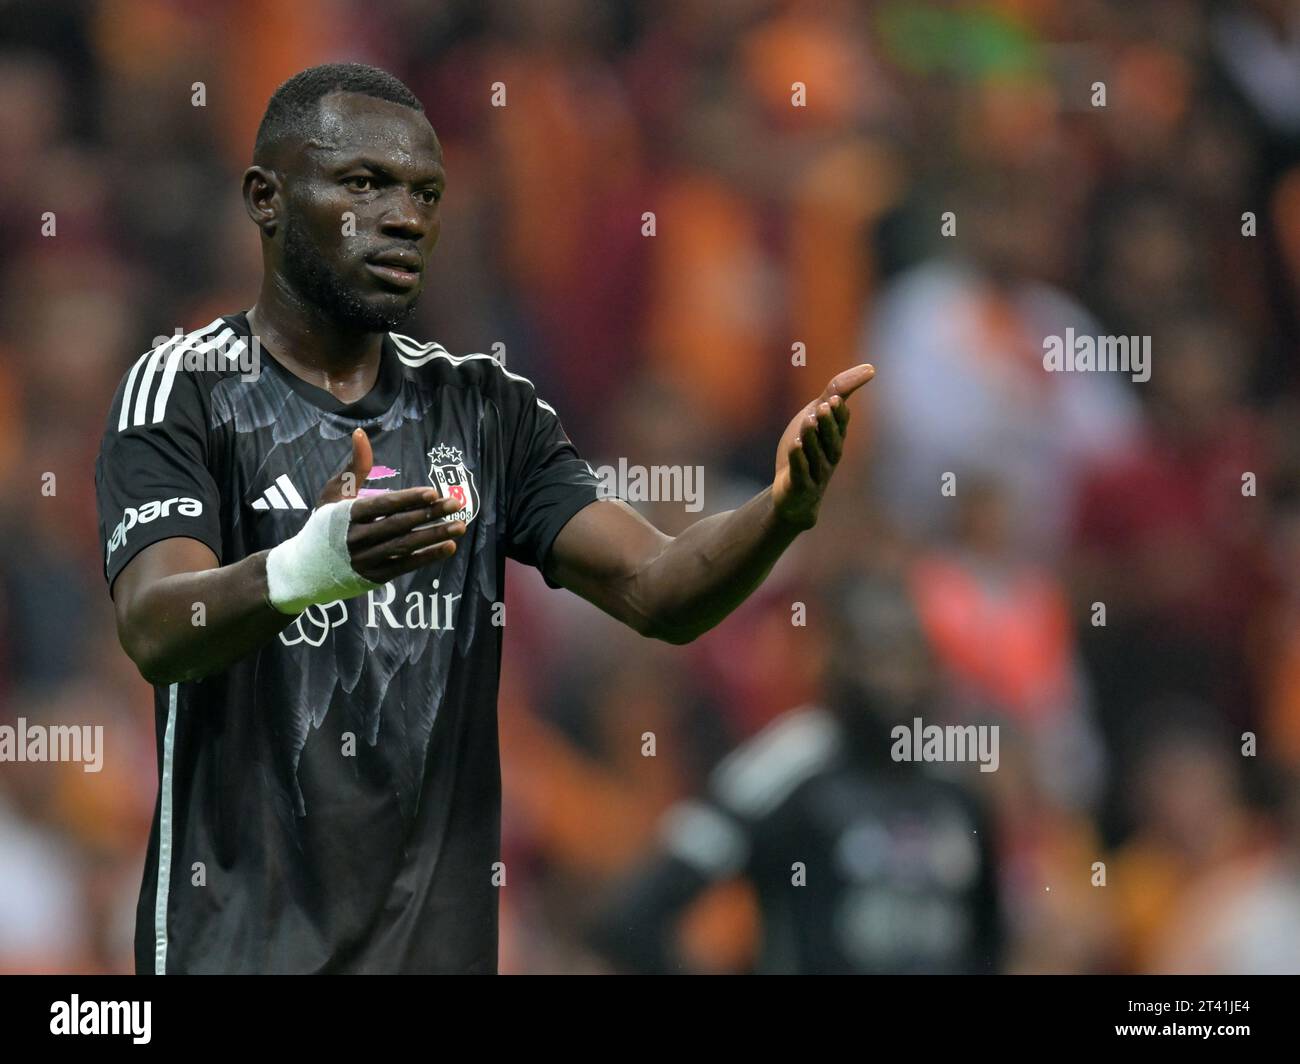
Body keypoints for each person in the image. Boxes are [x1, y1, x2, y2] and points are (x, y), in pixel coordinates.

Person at [92, 63, 872, 974]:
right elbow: (156, 624)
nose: (404, 214)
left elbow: (660, 591)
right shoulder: (187, 388)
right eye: (363, 183)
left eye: (426, 192)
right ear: (265, 198)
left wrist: (780, 511)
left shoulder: (485, 410)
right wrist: (313, 566)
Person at [587, 572, 1002, 974]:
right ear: (832, 661)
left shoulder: (956, 786)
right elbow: (633, 918)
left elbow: (990, 943)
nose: (897, 682)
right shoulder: (784, 767)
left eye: (910, 657)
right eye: (877, 656)